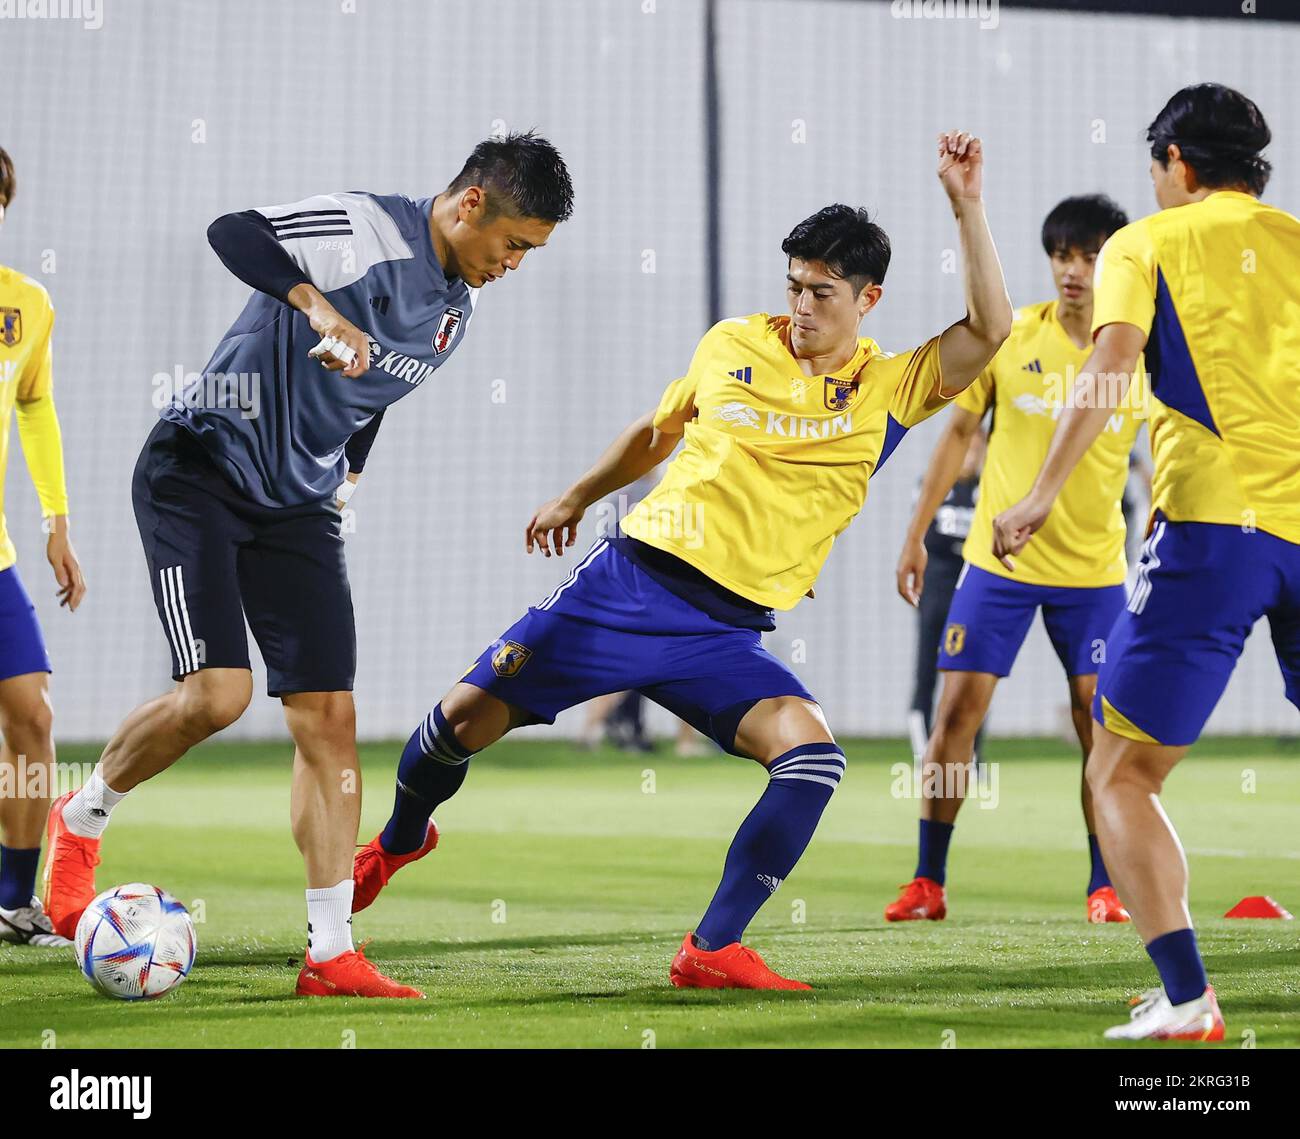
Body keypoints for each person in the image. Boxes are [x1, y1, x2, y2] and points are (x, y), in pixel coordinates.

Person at [351, 131, 1012, 990]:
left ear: (868, 298)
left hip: (725, 632)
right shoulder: (736, 341)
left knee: (813, 758)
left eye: (821, 293)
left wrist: (965, 204)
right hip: (629, 584)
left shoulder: (895, 387)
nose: (801, 306)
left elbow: (991, 327)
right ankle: (401, 838)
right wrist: (578, 497)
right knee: (455, 725)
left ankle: (711, 947)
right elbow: (658, 432)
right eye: (794, 287)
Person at [41, 132, 575, 998]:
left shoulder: (455, 312)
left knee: (330, 717)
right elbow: (233, 230)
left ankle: (329, 955)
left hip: (299, 503)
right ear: (471, 203)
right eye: (515, 243)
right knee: (217, 695)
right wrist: (316, 306)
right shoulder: (365, 230)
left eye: (532, 253)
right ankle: (82, 815)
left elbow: (376, 385)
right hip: (198, 469)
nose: (516, 263)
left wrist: (351, 468)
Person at [993, 84, 1297, 1041]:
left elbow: (1113, 361)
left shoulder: (1146, 241)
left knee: (1119, 772)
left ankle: (1188, 998)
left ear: (1175, 164)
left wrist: (1039, 491)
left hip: (1213, 529)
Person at [888, 195, 1140, 925]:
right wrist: (917, 532)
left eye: (1090, 255)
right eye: (1062, 254)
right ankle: (927, 880)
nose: (1073, 269)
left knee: (1099, 721)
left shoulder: (1136, 351)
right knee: (955, 714)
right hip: (995, 566)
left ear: (1113, 261)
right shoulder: (1012, 339)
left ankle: (1104, 885)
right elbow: (955, 434)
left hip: (1094, 572)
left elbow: (1167, 455)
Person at [0, 146, 87, 949]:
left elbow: (35, 408)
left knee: (33, 715)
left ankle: (13, 901)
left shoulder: (23, 304)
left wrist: (56, 523)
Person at [906, 426, 986, 764]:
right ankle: (923, 756)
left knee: (974, 677)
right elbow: (930, 539)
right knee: (926, 673)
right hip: (936, 589)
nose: (971, 456)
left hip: (972, 591)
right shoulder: (934, 485)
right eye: (966, 447)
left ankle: (972, 758)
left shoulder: (991, 490)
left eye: (978, 449)